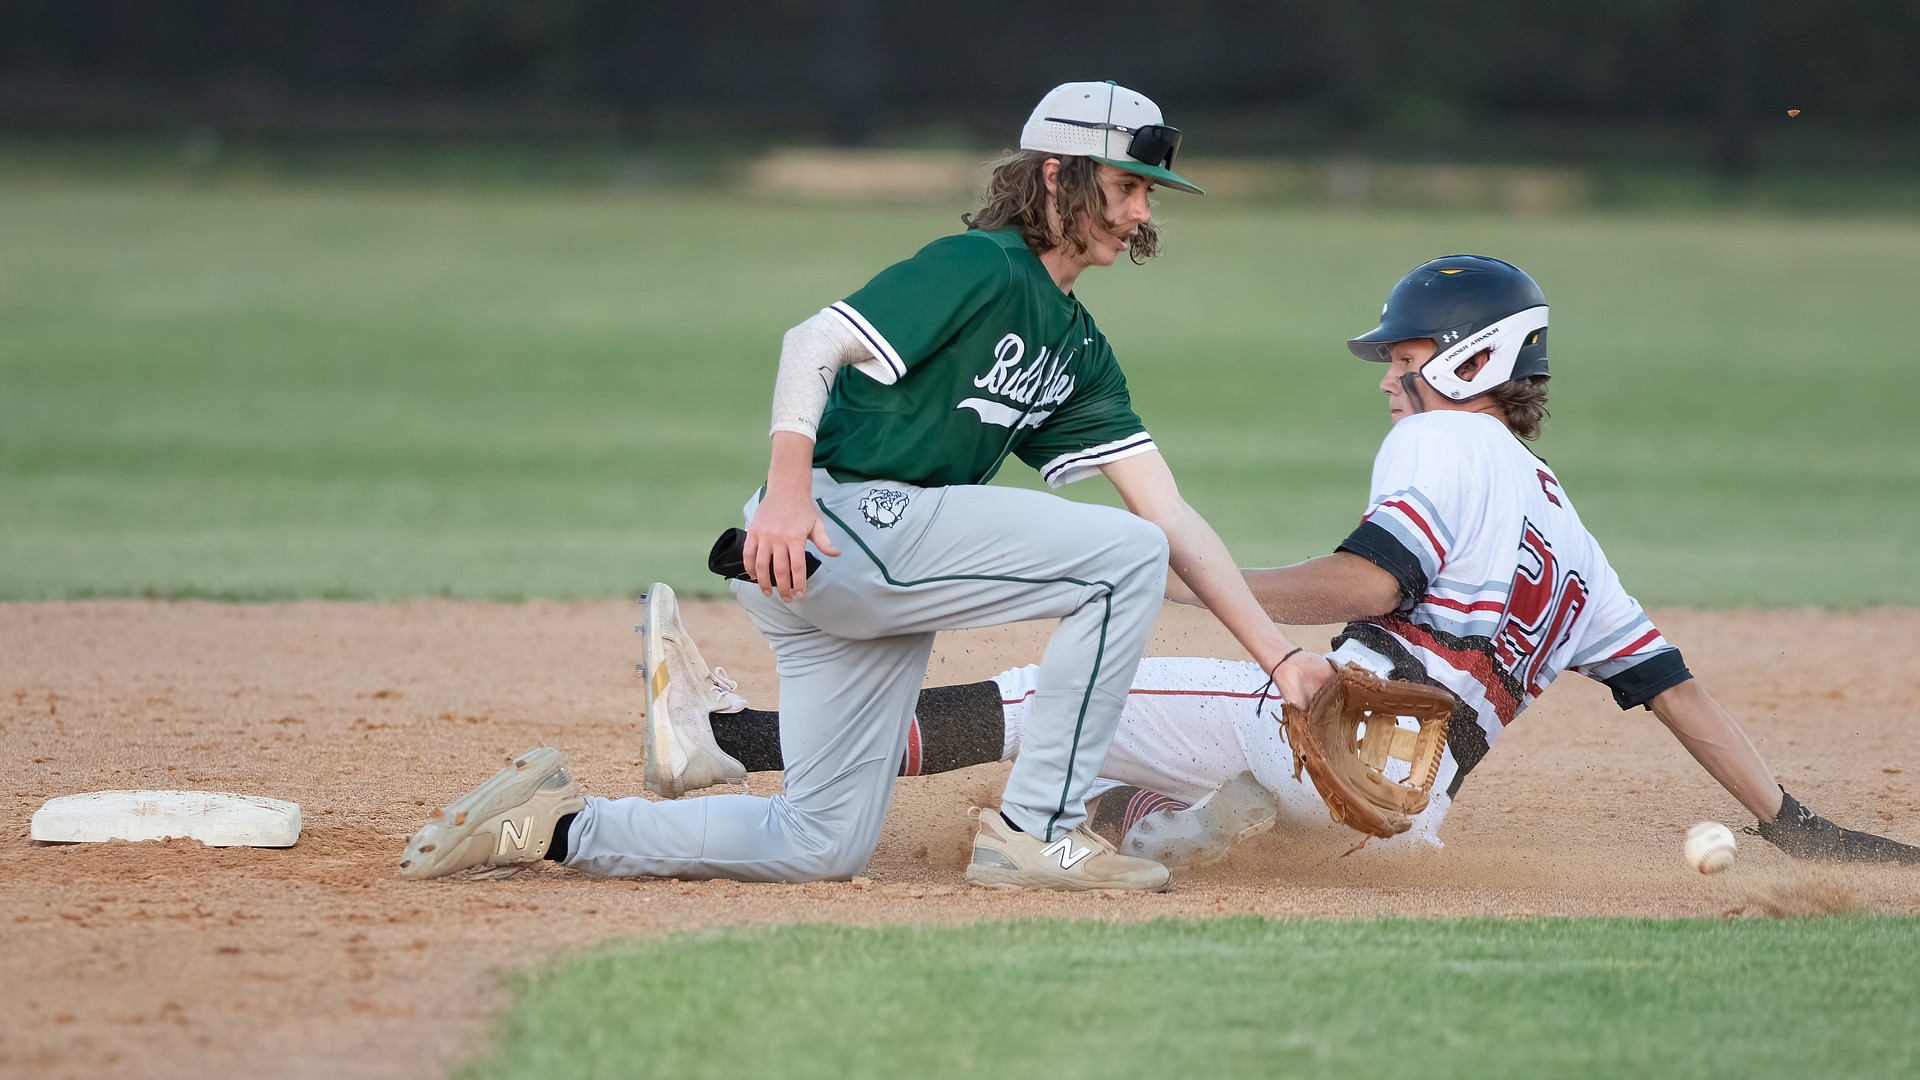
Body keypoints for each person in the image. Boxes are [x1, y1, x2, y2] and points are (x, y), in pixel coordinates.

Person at [633, 255, 1920, 870]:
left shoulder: (1444, 452)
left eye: (1405, 358)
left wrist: (1206, 581)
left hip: (1314, 733)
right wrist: (1792, 825)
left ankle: (729, 747)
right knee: (1124, 776)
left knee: (1056, 691)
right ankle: (1164, 834)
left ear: (1467, 365)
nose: (1392, 379)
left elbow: (1373, 586)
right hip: (1405, 802)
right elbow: (1671, 685)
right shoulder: (1570, 536)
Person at [399, 81, 1331, 890]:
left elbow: (1169, 511)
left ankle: (548, 828)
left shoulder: (1079, 350)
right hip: (840, 524)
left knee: (821, 842)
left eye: (1148, 195)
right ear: (1057, 174)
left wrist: (1281, 661)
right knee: (1123, 557)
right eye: (1128, 187)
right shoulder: (980, 266)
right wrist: (790, 492)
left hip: (861, 576)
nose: (1142, 215)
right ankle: (1037, 832)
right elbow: (813, 342)